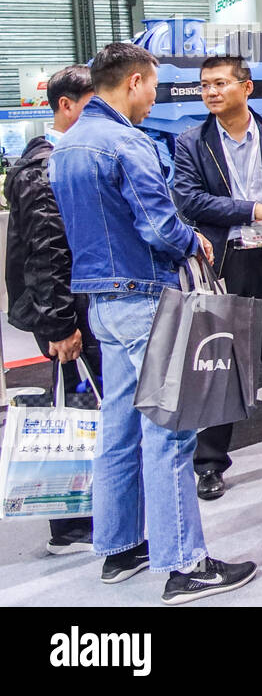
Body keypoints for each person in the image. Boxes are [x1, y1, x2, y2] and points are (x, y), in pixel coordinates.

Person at [49, 42, 256, 604]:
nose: (153, 99)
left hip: (103, 307)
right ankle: (185, 564)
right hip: (143, 299)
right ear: (136, 81)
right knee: (169, 431)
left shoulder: (67, 147)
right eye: (153, 87)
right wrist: (194, 241)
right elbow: (160, 228)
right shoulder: (125, 142)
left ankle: (120, 549)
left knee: (118, 427)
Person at [173, 56, 262, 499]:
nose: (210, 91)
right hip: (224, 262)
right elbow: (189, 201)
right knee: (217, 361)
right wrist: (252, 210)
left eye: (220, 83)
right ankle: (209, 463)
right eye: (205, 84)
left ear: (246, 88)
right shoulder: (191, 143)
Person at [3, 66, 102, 555]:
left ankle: (88, 512)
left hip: (75, 309)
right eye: (92, 102)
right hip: (68, 316)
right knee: (76, 414)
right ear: (67, 105)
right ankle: (69, 526)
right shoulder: (44, 165)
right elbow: (46, 251)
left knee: (86, 410)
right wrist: (61, 324)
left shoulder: (60, 158)